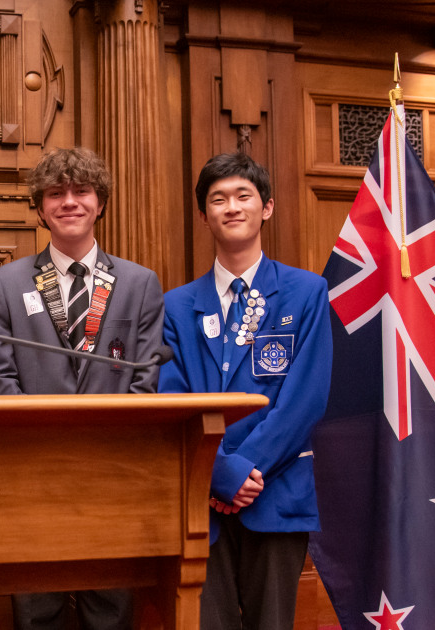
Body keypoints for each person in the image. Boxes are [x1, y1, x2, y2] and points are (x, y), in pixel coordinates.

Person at [0, 147, 164, 630]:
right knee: (37, 615)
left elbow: (144, 381)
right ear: (40, 208)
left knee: (112, 615)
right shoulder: (5, 281)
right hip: (32, 477)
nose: (69, 202)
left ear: (100, 201)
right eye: (55, 193)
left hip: (114, 478)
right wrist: (52, 447)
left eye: (81, 191)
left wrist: (97, 451)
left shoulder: (140, 283)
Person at [158, 152, 331, 630]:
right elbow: (171, 399)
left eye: (243, 196)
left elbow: (306, 398)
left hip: (275, 493)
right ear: (203, 215)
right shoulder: (175, 306)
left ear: (267, 207)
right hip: (200, 496)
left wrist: (246, 470)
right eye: (218, 199)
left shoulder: (306, 292)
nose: (231, 207)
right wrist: (218, 471)